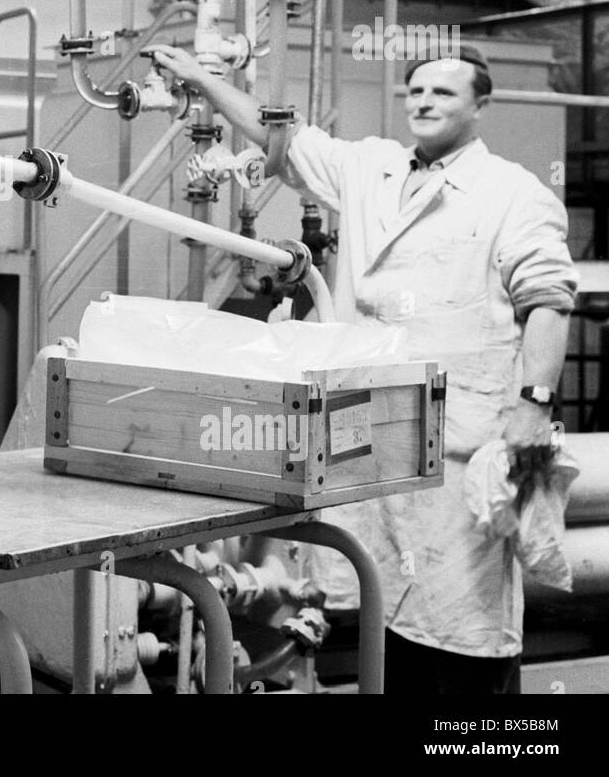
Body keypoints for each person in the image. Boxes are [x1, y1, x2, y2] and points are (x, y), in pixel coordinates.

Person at [152, 42, 577, 694]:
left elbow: (548, 300)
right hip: (373, 433)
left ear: (481, 105)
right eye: (417, 92)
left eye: (445, 92)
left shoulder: (512, 193)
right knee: (386, 613)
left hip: (459, 440)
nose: (426, 102)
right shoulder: (370, 168)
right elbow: (280, 139)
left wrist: (534, 404)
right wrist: (204, 81)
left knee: (467, 626)